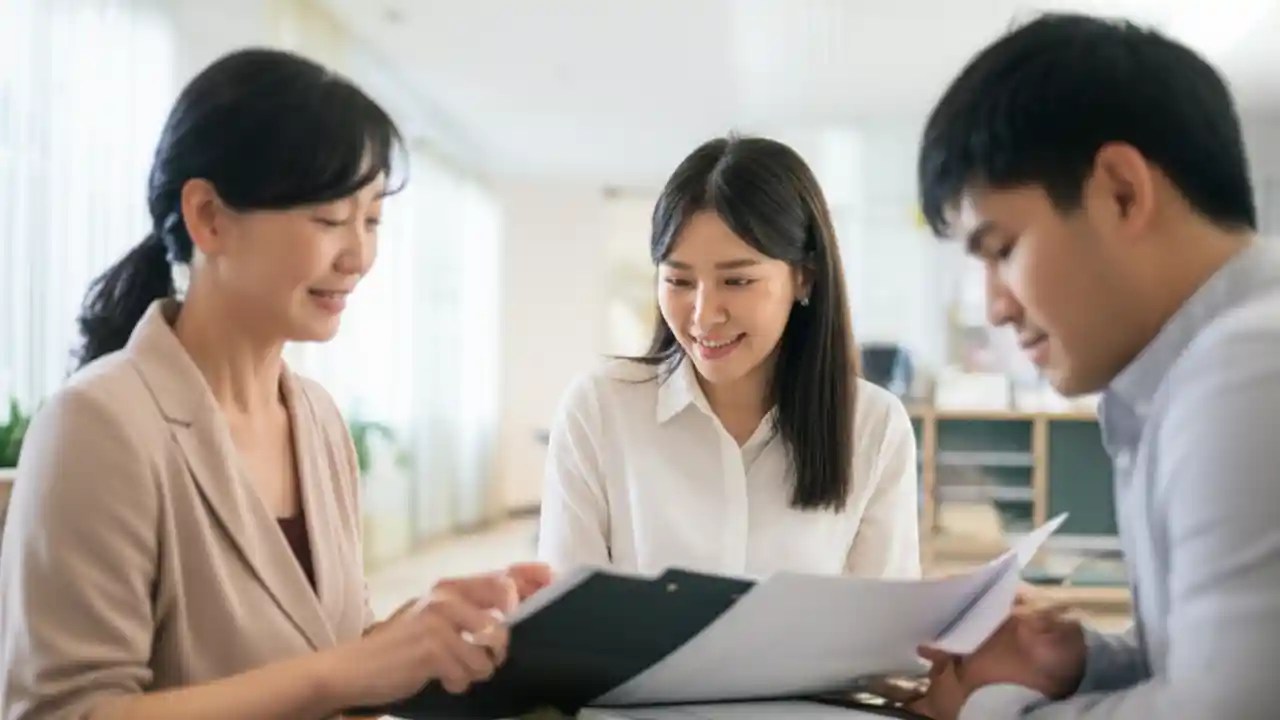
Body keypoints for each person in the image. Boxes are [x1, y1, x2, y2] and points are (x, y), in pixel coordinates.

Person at [0, 48, 550, 720]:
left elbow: (329, 653)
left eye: (372, 220)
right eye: (328, 220)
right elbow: (65, 713)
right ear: (208, 217)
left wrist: (426, 637)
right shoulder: (99, 423)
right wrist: (345, 671)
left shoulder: (316, 419)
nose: (358, 257)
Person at [908, 13, 1280, 720]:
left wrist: (984, 711)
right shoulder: (1177, 379)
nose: (995, 307)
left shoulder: (1248, 370)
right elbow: (1230, 664)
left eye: (1003, 248)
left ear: (1120, 192)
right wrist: (1082, 661)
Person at [538, 136, 920, 579]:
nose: (704, 315)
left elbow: (880, 631)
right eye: (679, 281)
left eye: (736, 281)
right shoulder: (600, 410)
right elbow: (566, 616)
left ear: (804, 278)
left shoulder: (873, 427)